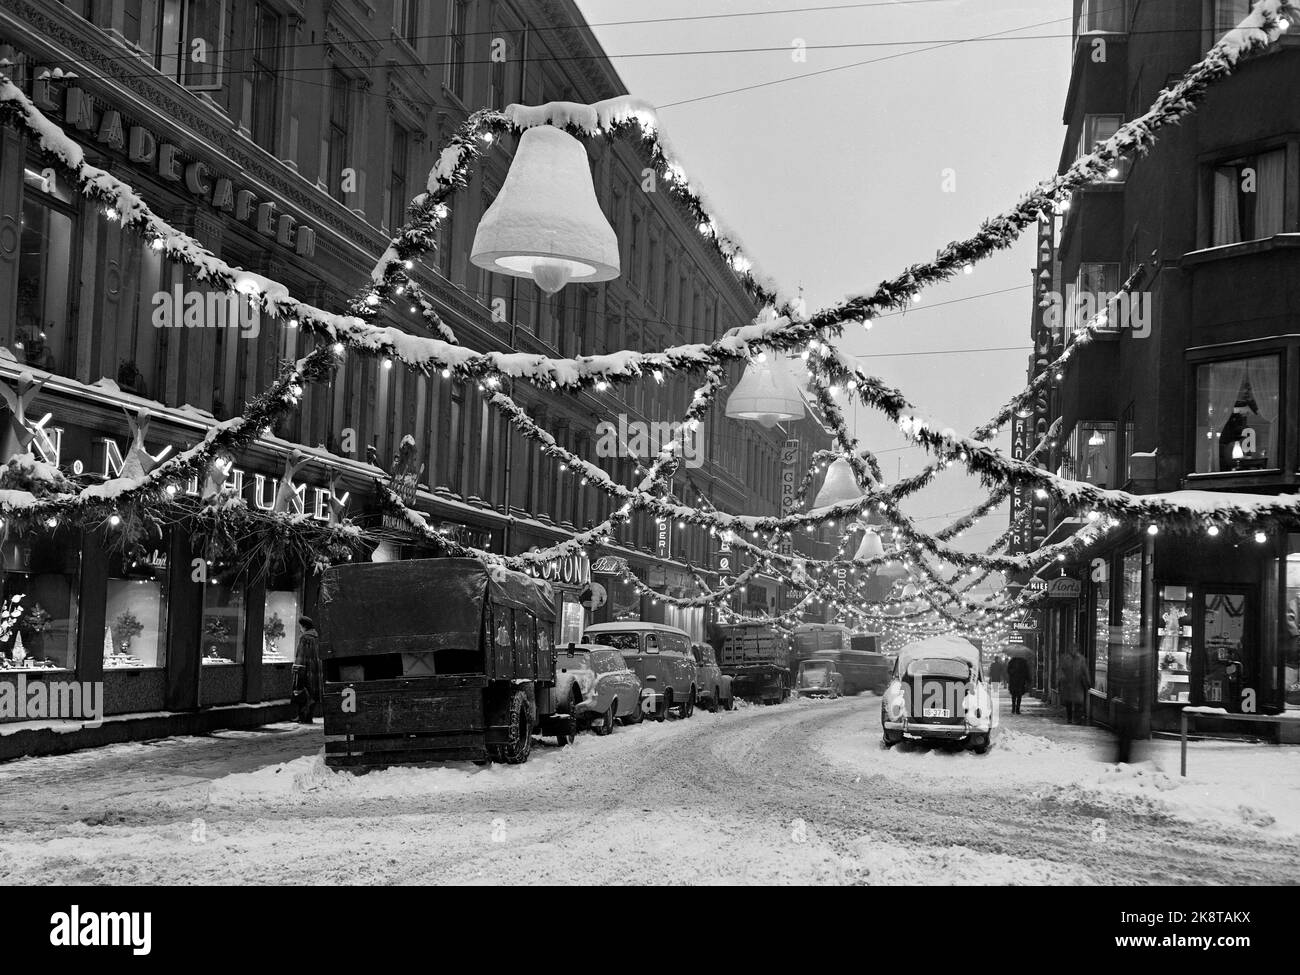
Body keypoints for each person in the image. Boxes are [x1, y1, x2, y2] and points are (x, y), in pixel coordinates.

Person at [292, 616, 321, 725]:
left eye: (300, 626)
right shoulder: (316, 636)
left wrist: (297, 669)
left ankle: (302, 716)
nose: (300, 628)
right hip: (316, 668)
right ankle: (309, 716)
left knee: (301, 691)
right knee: (313, 693)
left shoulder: (304, 637)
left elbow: (301, 655)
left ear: (303, 626)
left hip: (305, 668)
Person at [1056, 648, 1090, 724]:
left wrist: (1088, 681)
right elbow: (1060, 670)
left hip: (1078, 684)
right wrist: (1061, 680)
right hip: (1068, 683)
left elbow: (1085, 670)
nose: (1073, 651)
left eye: (1075, 649)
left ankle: (1077, 718)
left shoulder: (1081, 659)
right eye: (1072, 649)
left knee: (1078, 702)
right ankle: (1070, 718)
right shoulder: (1066, 659)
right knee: (1069, 702)